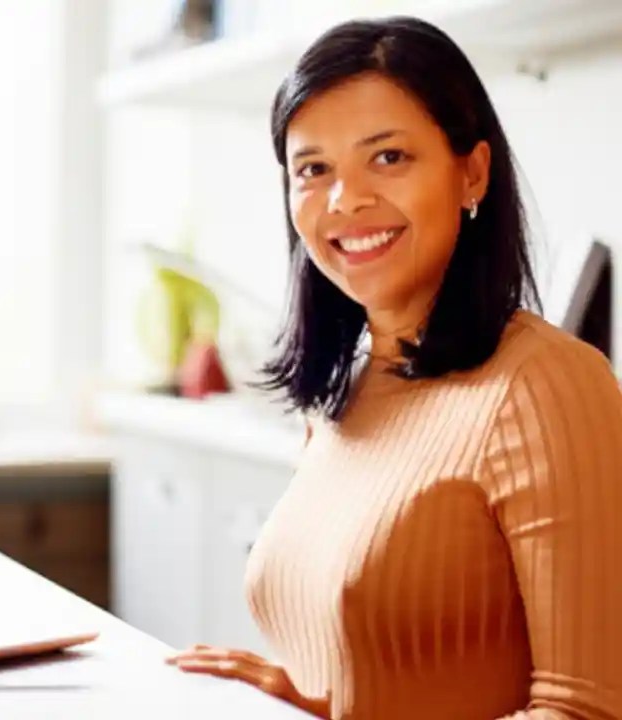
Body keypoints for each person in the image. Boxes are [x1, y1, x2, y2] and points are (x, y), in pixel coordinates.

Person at [165, 16, 622, 719]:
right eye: (313, 169)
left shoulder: (550, 386)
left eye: (388, 158)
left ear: (472, 171)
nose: (346, 200)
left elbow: (585, 710)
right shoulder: (345, 389)